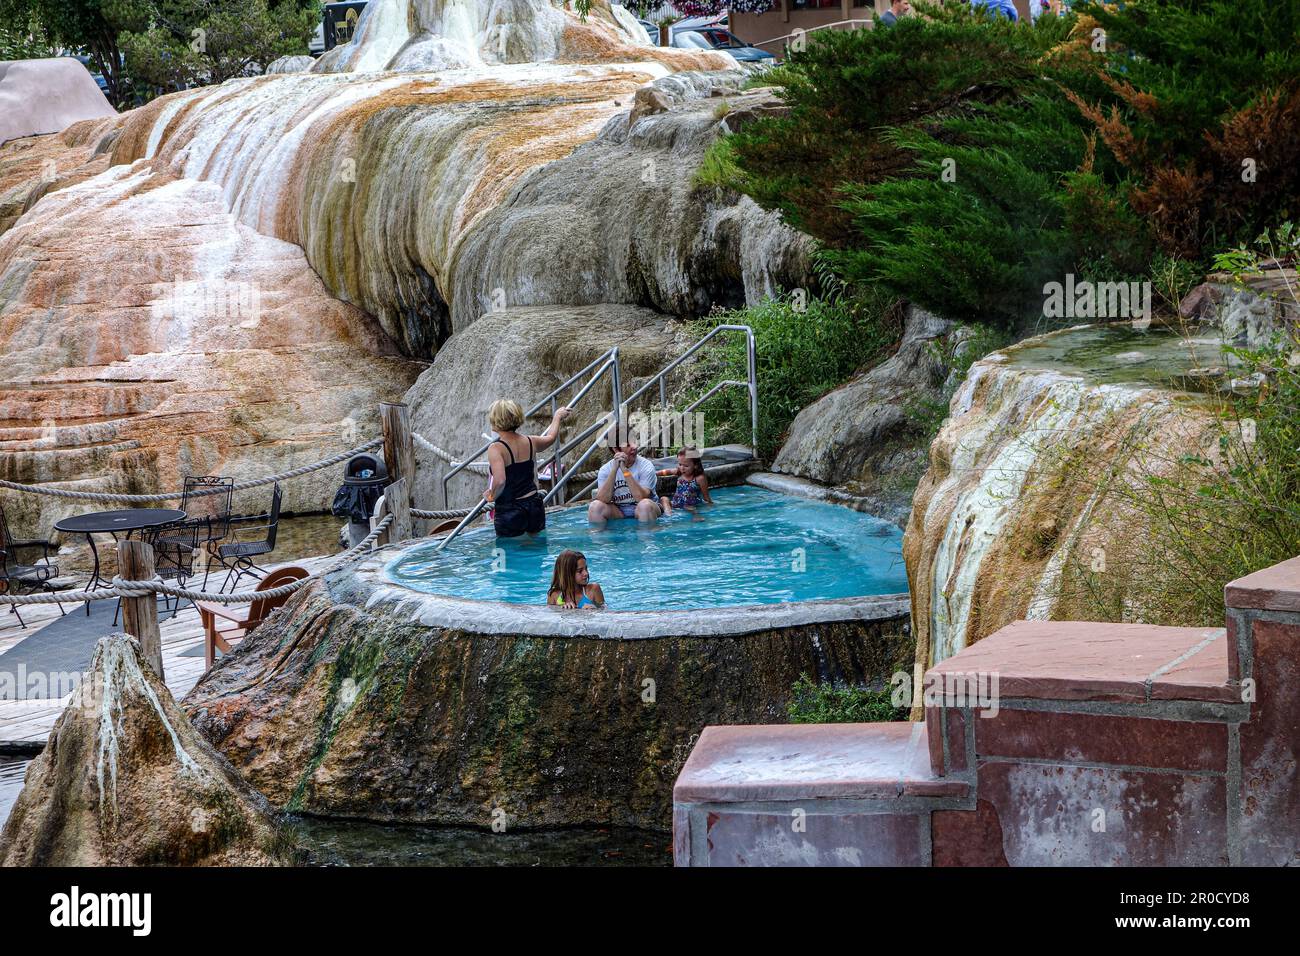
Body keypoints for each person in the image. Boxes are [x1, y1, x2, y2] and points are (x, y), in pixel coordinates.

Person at [484, 399, 571, 537]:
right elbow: (551, 437)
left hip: (510, 510)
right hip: (534, 505)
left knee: (512, 555)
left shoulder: (496, 448)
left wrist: (491, 495)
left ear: (496, 420)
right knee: (537, 552)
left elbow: (500, 480)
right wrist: (557, 416)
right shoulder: (530, 441)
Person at [588, 436, 662, 525]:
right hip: (618, 511)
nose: (634, 447)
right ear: (616, 449)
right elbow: (603, 499)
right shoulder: (605, 469)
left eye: (634, 442)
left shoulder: (646, 465)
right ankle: (604, 538)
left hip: (644, 508)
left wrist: (625, 470)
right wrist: (614, 470)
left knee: (644, 505)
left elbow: (641, 498)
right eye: (628, 445)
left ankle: (646, 537)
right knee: (595, 507)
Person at [660, 447, 712, 517]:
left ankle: (696, 516)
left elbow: (706, 497)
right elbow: (666, 472)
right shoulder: (679, 471)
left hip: (690, 505)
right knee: (663, 498)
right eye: (680, 464)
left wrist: (710, 508)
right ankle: (669, 515)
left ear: (695, 465)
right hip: (676, 503)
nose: (682, 468)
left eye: (686, 466)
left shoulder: (699, 478)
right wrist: (655, 473)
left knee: (690, 508)